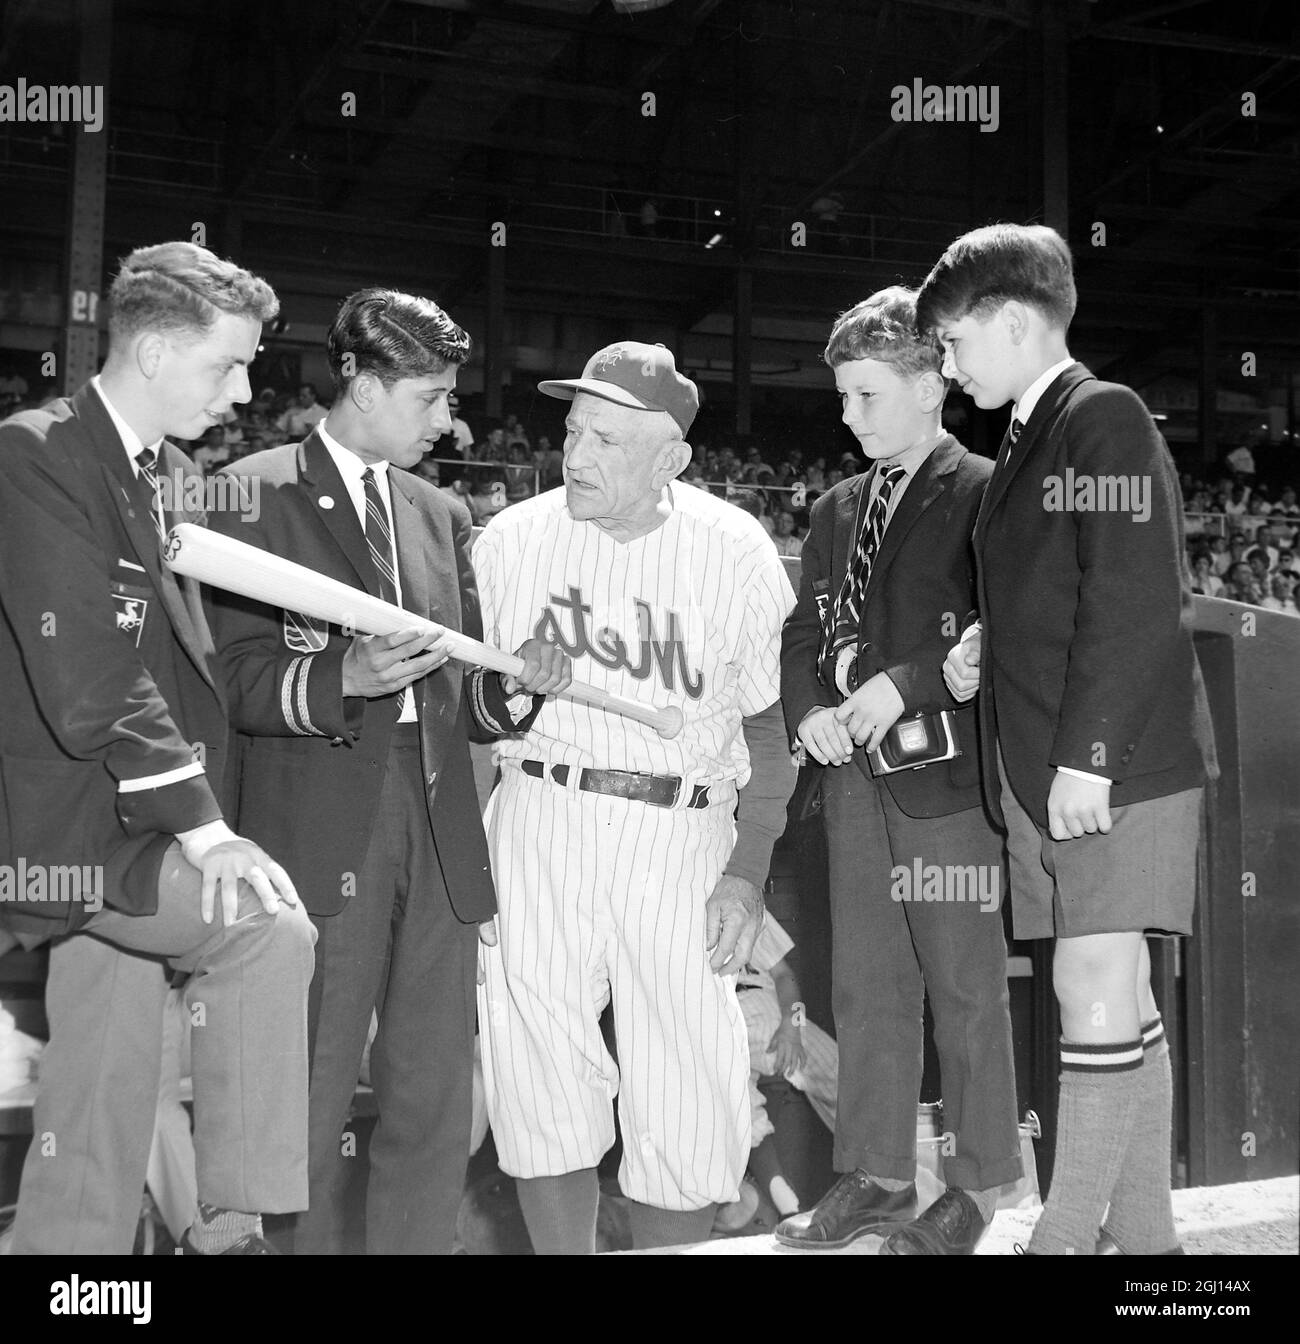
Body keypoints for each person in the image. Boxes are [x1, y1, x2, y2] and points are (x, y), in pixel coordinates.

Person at [204, 289, 570, 1255]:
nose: (449, 421)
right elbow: (230, 684)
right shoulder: (248, 492)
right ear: (362, 386)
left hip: (444, 828)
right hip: (318, 824)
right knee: (313, 1097)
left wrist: (523, 683)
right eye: (431, 397)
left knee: (436, 1095)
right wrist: (342, 674)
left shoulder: (442, 512)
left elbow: (468, 699)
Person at [0, 240, 313, 1255]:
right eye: (228, 365)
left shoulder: (163, 472)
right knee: (268, 928)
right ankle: (233, 1228)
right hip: (61, 825)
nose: (247, 389)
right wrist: (207, 830)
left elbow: (178, 669)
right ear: (150, 354)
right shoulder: (34, 451)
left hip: (120, 825)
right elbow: (88, 670)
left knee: (96, 1097)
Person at [921, 222, 1217, 1256]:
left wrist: (1086, 757)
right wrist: (981, 646)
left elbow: (1138, 598)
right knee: (1117, 992)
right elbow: (1064, 587)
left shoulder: (1099, 416)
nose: (948, 370)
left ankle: (1060, 1241)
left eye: (954, 345)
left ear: (1011, 322)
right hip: (1053, 762)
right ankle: (1150, 1252)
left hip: (1107, 763)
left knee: (1089, 987)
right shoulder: (1033, 434)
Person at [473, 341, 797, 1252]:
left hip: (681, 828)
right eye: (575, 430)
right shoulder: (510, 542)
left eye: (608, 440)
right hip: (539, 809)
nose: (577, 456)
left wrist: (748, 871)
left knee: (690, 1078)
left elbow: (770, 737)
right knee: (535, 1067)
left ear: (671, 460)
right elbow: (466, 712)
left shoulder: (733, 550)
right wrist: (508, 697)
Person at [779, 287, 1020, 1255]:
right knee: (864, 986)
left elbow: (1011, 631)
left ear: (930, 388)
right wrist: (810, 716)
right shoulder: (838, 507)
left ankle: (978, 1184)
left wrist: (907, 685)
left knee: (963, 987)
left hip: (946, 781)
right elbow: (803, 633)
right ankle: (872, 1173)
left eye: (867, 396)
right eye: (841, 397)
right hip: (852, 785)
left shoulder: (987, 490)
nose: (848, 417)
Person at [731, 914, 839, 1220]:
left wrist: (792, 1025)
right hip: (718, 1018)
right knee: (736, 1099)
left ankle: (883, 1181)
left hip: (767, 1006)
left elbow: (784, 976)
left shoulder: (744, 898)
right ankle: (789, 1208)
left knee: (841, 1075)